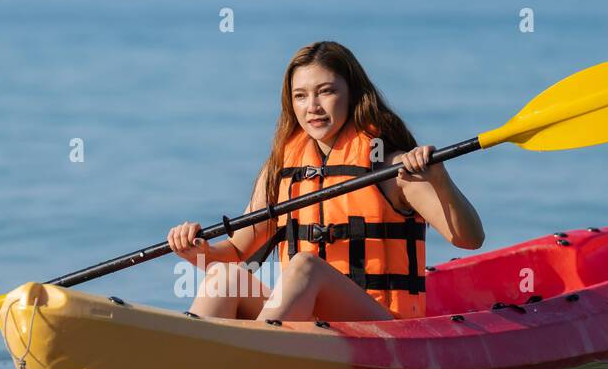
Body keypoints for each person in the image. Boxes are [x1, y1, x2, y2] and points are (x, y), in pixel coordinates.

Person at [167, 40, 485, 322]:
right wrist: (195, 251)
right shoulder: (280, 171)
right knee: (224, 275)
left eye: (326, 91)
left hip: (381, 326)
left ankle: (256, 360)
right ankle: (196, 365)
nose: (313, 107)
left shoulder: (393, 168)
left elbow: (470, 239)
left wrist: (441, 181)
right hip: (301, 323)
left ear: (352, 94)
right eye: (301, 96)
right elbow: (237, 252)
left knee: (306, 266)